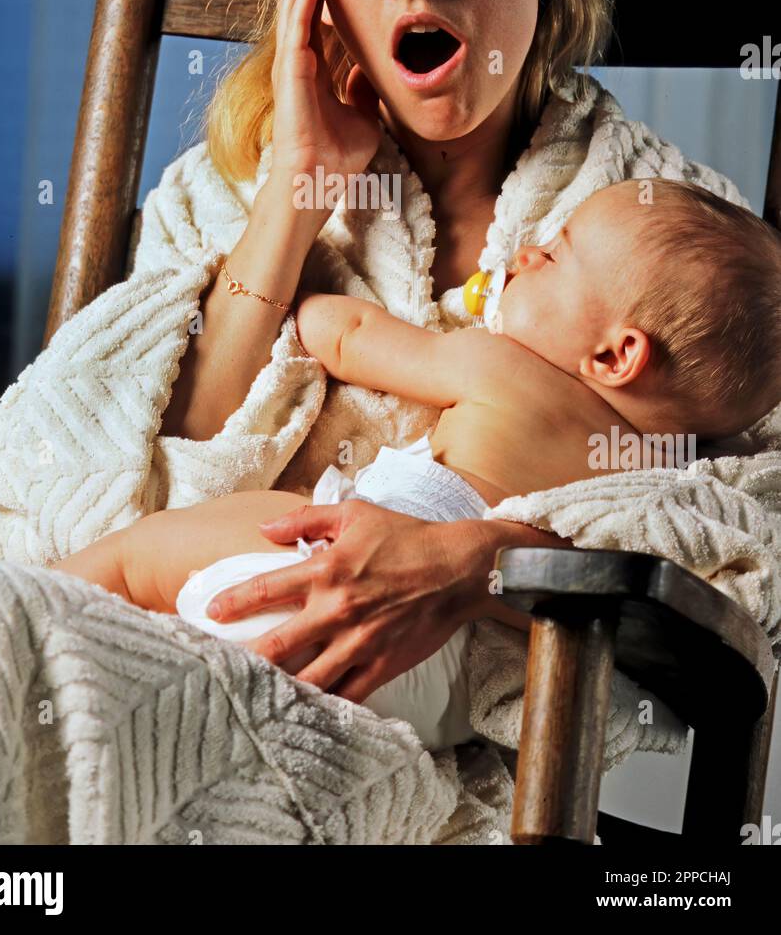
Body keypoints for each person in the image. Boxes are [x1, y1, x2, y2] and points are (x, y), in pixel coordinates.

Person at [0, 0, 775, 844]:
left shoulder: (656, 233)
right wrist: (293, 201)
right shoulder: (225, 195)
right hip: (161, 667)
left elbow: (752, 538)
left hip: (415, 763)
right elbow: (93, 500)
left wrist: (474, 557)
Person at [170, 178, 781, 751]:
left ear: (616, 354)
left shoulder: (502, 367)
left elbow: (351, 335)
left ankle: (87, 580)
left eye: (554, 255)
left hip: (334, 578)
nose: (524, 254)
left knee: (215, 530)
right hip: (445, 691)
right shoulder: (662, 477)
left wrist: (307, 308)